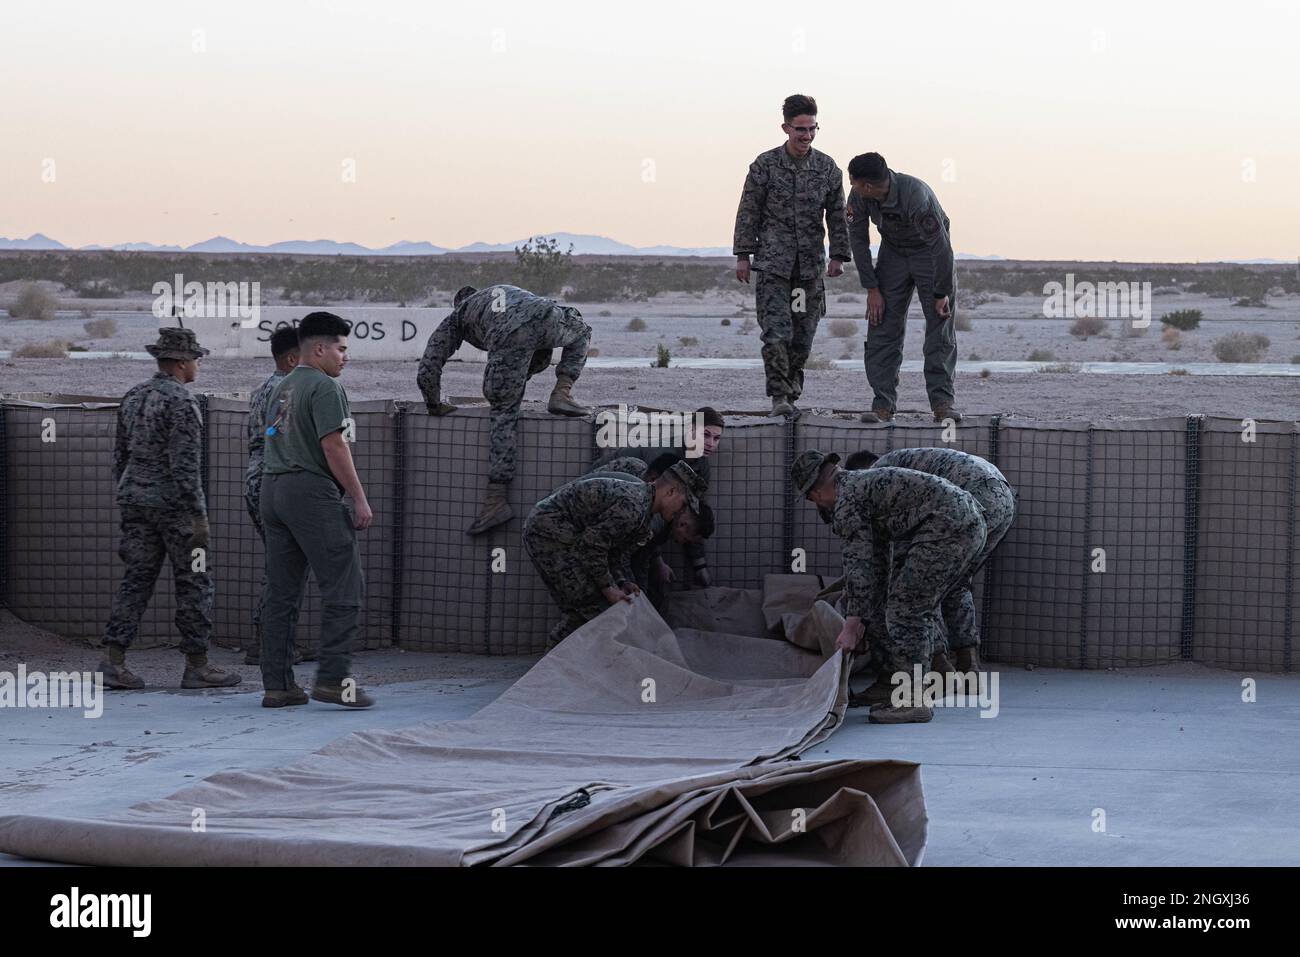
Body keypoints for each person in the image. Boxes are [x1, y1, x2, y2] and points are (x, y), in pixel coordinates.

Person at [791, 449, 985, 724]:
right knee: (894, 602)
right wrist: (862, 612)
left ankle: (913, 700)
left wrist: (851, 626)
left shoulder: (847, 502)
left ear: (815, 494)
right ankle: (905, 680)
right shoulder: (861, 486)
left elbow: (858, 565)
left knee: (906, 610)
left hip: (949, 529)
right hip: (965, 522)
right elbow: (878, 561)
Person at [98, 327, 240, 691]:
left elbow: (120, 456)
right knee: (195, 581)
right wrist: (198, 517)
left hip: (135, 501)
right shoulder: (182, 403)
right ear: (181, 363)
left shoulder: (133, 396)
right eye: (196, 359)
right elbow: (185, 467)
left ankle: (113, 660)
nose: (197, 366)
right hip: (174, 508)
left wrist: (130, 492)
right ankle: (197, 665)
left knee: (136, 580)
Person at [259, 312, 374, 709]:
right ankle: (333, 680)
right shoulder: (326, 387)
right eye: (341, 349)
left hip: (273, 489)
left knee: (281, 593)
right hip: (310, 492)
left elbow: (272, 434)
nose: (345, 357)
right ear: (320, 349)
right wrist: (358, 497)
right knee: (345, 585)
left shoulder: (282, 386)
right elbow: (333, 445)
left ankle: (278, 685)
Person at [417, 283, 592, 535]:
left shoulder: (459, 315)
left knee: (504, 412)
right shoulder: (502, 293)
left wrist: (433, 404)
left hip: (511, 333)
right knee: (581, 330)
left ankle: (495, 501)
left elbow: (428, 366)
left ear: (458, 303)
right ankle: (562, 392)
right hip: (547, 314)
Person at [733, 94, 851, 417]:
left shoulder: (827, 168)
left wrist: (839, 255)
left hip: (808, 271)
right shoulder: (765, 166)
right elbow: (748, 211)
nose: (807, 135)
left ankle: (792, 394)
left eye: (812, 129)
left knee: (802, 336)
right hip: (774, 267)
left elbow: (837, 215)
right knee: (775, 334)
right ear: (786, 128)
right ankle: (780, 397)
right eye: (800, 129)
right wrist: (743, 254)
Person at [851, 447, 1016, 673]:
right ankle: (968, 666)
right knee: (955, 583)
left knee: (918, 586)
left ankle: (940, 666)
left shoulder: (875, 479)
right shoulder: (906, 462)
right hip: (1001, 496)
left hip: (970, 498)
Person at [524, 461, 708, 646]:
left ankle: (559, 658)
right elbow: (592, 546)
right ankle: (556, 657)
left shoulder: (644, 512)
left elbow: (614, 552)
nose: (681, 511)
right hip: (548, 531)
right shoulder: (633, 507)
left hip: (562, 534)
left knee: (589, 609)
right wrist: (608, 588)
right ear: (670, 492)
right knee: (592, 606)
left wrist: (621, 581)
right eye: (683, 504)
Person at [845, 152, 959, 424]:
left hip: (928, 255)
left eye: (854, 183)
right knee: (881, 325)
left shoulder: (915, 195)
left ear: (868, 186)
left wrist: (941, 292)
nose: (852, 187)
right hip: (893, 253)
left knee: (939, 328)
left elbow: (941, 248)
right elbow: (858, 241)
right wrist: (872, 289)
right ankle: (883, 405)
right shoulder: (858, 197)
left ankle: (942, 404)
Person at [591, 406, 725, 585]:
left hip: (634, 515)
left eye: (716, 438)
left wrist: (699, 564)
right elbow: (648, 512)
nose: (711, 443)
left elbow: (693, 515)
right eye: (705, 435)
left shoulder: (701, 466)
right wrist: (658, 560)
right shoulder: (663, 454)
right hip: (601, 502)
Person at [243, 324, 308, 666]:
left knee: (278, 563)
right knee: (285, 566)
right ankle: (273, 644)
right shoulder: (288, 390)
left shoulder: (261, 390)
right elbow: (284, 438)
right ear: (292, 359)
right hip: (278, 479)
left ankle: (266, 641)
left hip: (258, 478)